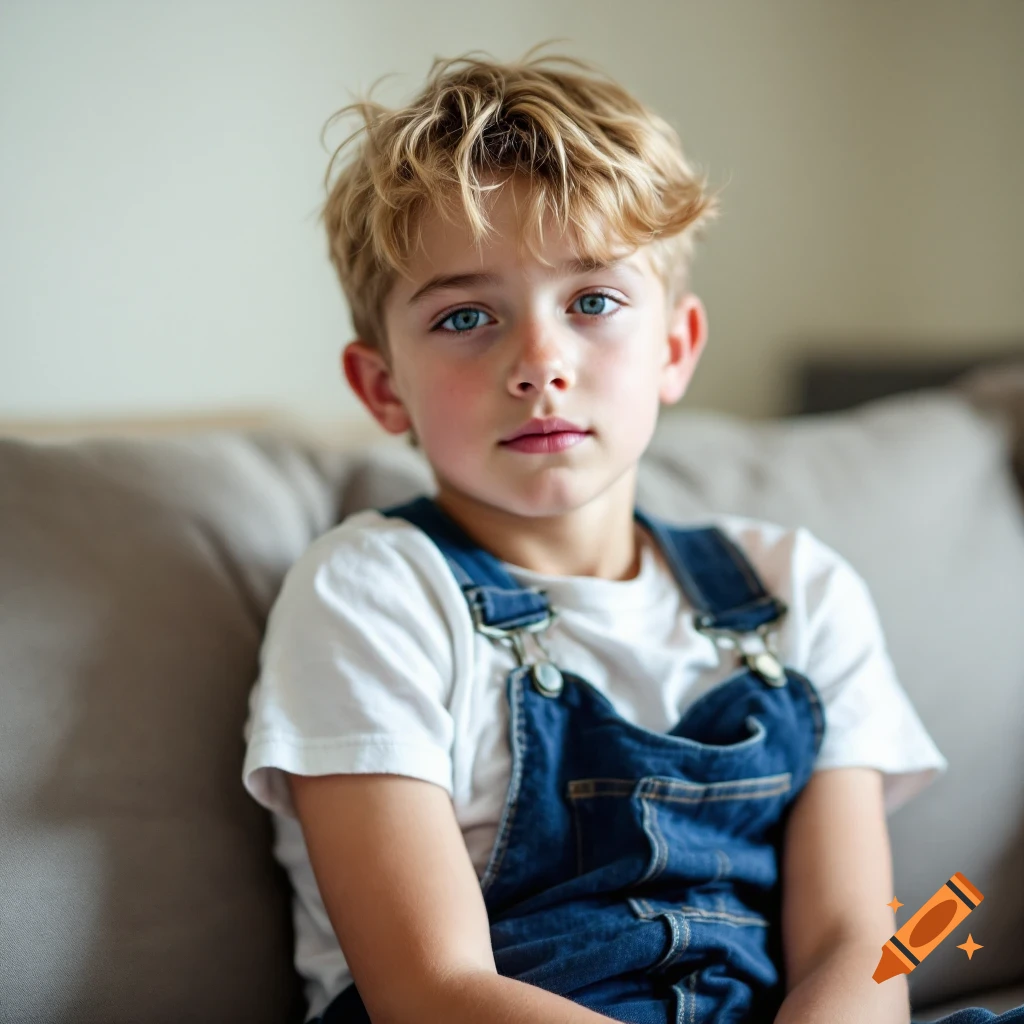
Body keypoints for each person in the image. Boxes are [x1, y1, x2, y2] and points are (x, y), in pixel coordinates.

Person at [241, 43, 1024, 1024]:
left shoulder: (797, 590)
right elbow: (429, 989)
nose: (540, 362)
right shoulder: (372, 592)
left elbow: (855, 945)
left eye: (594, 301)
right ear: (381, 385)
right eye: (467, 316)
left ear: (675, 347)